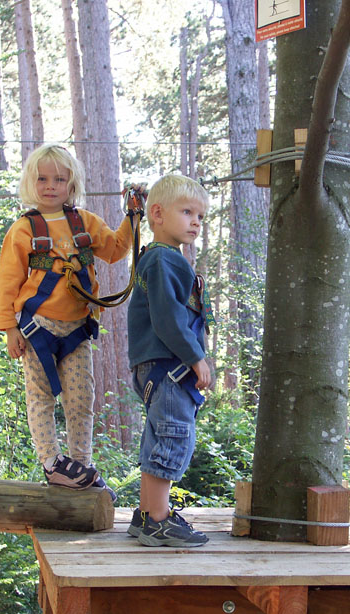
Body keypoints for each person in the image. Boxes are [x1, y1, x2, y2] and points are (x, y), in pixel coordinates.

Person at [0, 143, 141, 499]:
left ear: (71, 183)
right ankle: (52, 462)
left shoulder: (85, 223)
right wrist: (9, 328)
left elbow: (116, 249)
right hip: (38, 328)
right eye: (43, 179)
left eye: (59, 179)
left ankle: (81, 463)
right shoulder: (24, 229)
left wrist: (133, 216)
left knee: (81, 399)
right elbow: (7, 281)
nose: (50, 186)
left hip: (77, 328)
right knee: (40, 397)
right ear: (31, 183)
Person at [126, 173, 213, 547]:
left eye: (201, 216)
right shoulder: (163, 260)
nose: (195, 221)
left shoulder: (165, 259)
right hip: (168, 366)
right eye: (187, 212)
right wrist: (195, 357)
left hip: (159, 367)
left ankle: (149, 514)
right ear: (157, 213)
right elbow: (167, 317)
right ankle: (157, 519)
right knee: (174, 433)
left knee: (161, 433)